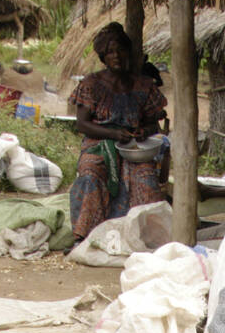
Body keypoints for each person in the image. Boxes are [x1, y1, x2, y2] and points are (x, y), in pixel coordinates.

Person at [68, 23, 167, 244]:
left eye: (121, 50)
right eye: (111, 52)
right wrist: (113, 135)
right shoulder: (92, 84)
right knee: (90, 174)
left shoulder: (142, 85)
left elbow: (154, 124)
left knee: (145, 180)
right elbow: (82, 124)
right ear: (103, 56)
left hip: (133, 148)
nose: (116, 56)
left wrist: (142, 132)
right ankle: (85, 237)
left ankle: (147, 238)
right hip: (99, 144)